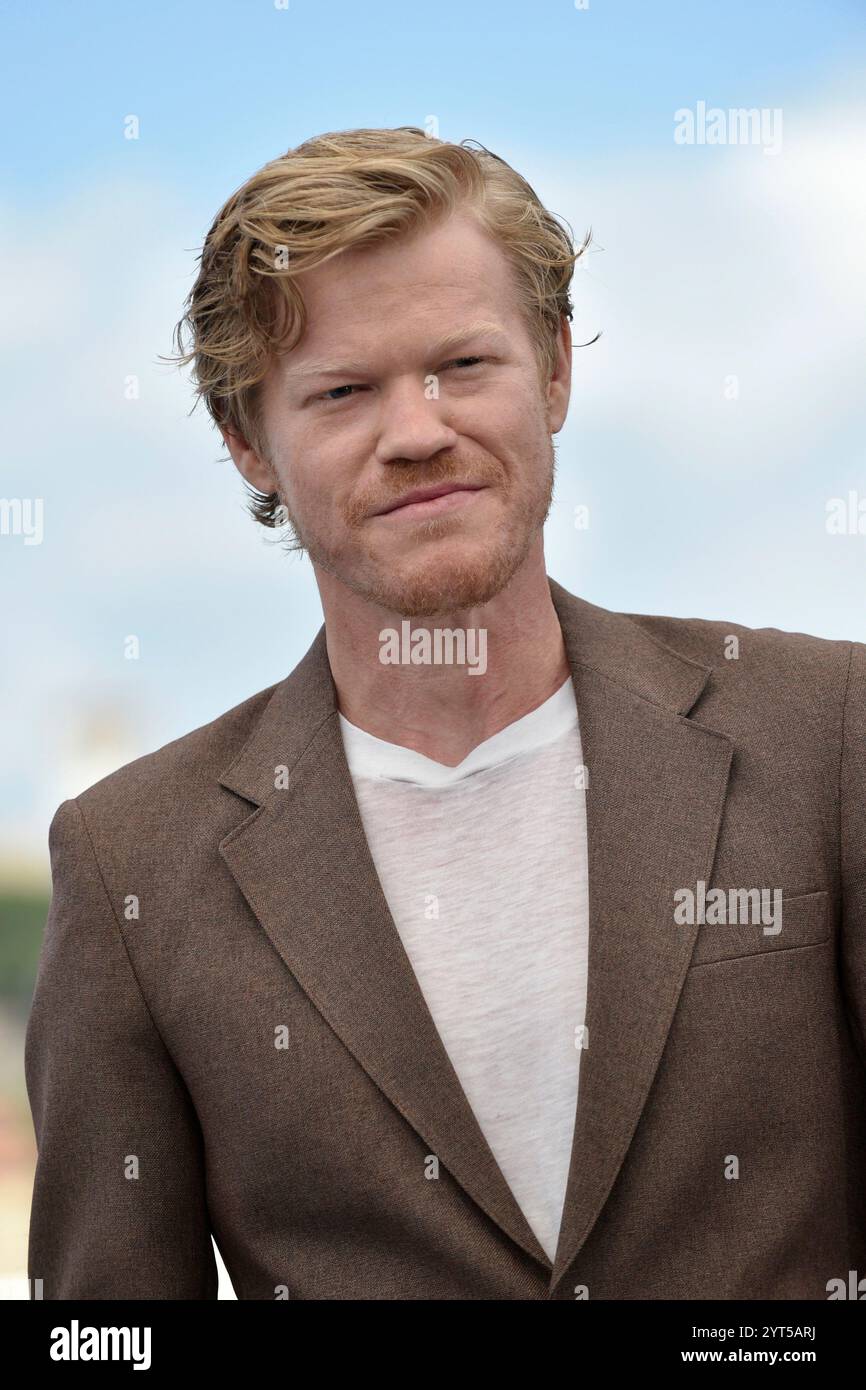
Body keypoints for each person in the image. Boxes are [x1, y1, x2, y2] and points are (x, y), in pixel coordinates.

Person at [25, 127, 866, 1300]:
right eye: (342, 391)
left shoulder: (827, 732)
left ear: (557, 369)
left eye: (462, 365)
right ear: (244, 443)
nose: (416, 430)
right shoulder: (133, 864)